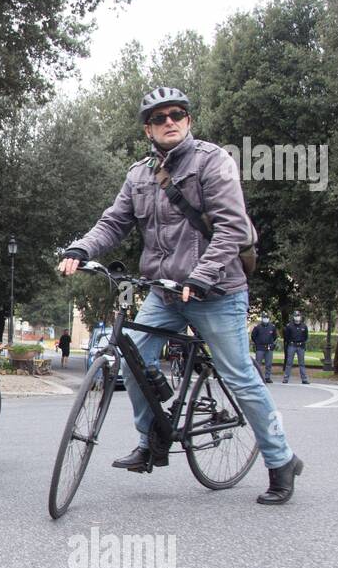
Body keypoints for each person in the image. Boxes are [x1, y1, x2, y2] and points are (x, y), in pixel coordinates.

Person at [58, 86, 302, 505]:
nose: (170, 121)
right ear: (148, 129)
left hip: (217, 290)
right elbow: (114, 222)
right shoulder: (138, 175)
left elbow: (234, 229)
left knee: (240, 376)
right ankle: (152, 437)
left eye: (177, 114)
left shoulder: (212, 161)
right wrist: (82, 248)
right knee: (132, 358)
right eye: (159, 117)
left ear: (188, 121)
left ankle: (281, 461)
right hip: (165, 292)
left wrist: (203, 274)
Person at [282, 311, 309, 384]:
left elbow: (306, 336)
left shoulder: (304, 326)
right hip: (292, 345)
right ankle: (286, 378)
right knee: (289, 363)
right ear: (293, 317)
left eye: (298, 316)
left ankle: (304, 379)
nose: (297, 317)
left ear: (300, 317)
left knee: (302, 363)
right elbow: (286, 337)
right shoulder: (289, 326)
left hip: (301, 346)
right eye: (296, 316)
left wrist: (303, 343)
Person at [251, 314, 278, 383]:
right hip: (260, 347)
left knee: (268, 363)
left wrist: (272, 344)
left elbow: (275, 336)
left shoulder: (272, 327)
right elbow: (253, 336)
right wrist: (257, 343)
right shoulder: (257, 327)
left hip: (269, 347)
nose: (265, 319)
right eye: (264, 318)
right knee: (258, 363)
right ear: (262, 319)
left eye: (267, 318)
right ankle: (257, 377)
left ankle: (267, 377)